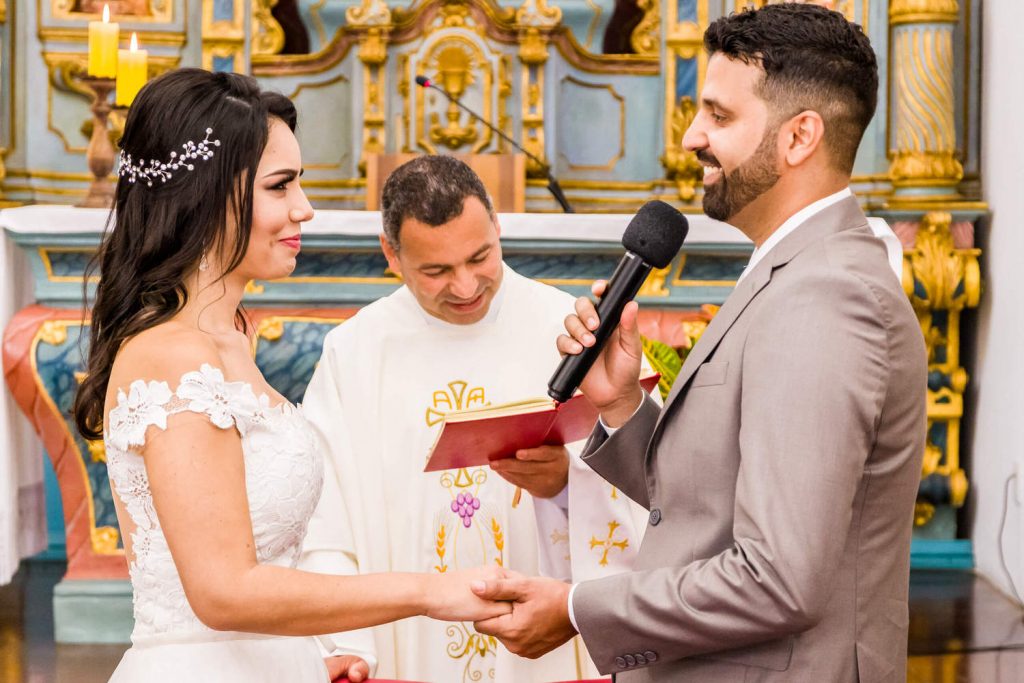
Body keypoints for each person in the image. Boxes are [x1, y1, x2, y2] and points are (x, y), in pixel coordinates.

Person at [471, 4, 928, 681]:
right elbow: (711, 506)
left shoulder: (824, 296)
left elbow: (778, 578)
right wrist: (621, 404)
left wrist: (574, 607)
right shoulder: (793, 270)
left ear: (799, 136)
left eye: (719, 115)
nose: (691, 137)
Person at [71, 68, 508, 683]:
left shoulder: (231, 340)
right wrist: (428, 591)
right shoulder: (173, 356)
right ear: (205, 195)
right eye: (280, 186)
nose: (304, 207)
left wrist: (304, 657)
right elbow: (223, 592)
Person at [298, 155, 650, 683]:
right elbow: (324, 520)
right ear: (391, 254)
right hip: (408, 651)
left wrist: (565, 484)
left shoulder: (571, 330)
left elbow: (655, 495)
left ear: (497, 226)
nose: (465, 287)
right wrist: (346, 645)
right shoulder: (355, 353)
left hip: (545, 655)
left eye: (480, 257)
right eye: (436, 271)